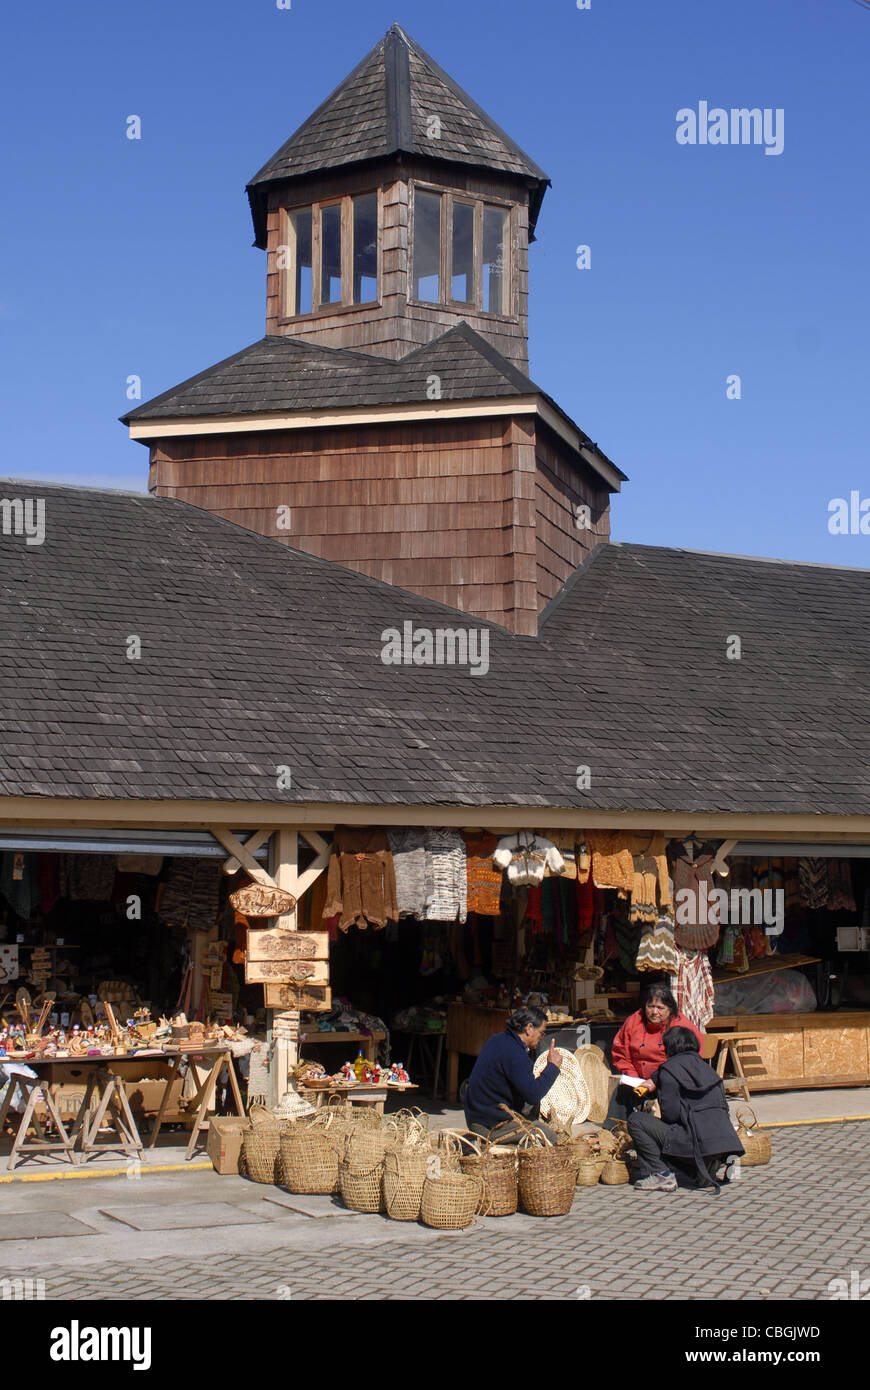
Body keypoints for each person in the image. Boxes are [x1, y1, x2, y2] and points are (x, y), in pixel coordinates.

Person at [627, 1026, 744, 1192]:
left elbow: (671, 1115)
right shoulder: (708, 1069)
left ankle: (661, 1175)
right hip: (722, 1144)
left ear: (669, 1047)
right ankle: (701, 1170)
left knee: (636, 1120)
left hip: (695, 1140)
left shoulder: (669, 1071)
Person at [464, 1005, 562, 1143]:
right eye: (541, 1033)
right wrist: (552, 1067)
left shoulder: (498, 1039)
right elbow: (533, 1094)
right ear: (529, 1029)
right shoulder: (514, 1053)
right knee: (548, 1137)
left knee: (531, 1114)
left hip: (476, 1116)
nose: (541, 1037)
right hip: (490, 1122)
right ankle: (490, 1145)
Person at [607, 984, 703, 1123]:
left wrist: (659, 1079)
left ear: (670, 1009)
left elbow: (689, 1059)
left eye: (660, 1008)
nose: (654, 1012)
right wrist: (633, 1076)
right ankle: (614, 1132)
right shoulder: (634, 1020)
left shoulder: (681, 1026)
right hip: (638, 1080)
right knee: (623, 1091)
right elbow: (620, 1051)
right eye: (650, 1006)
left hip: (669, 1080)